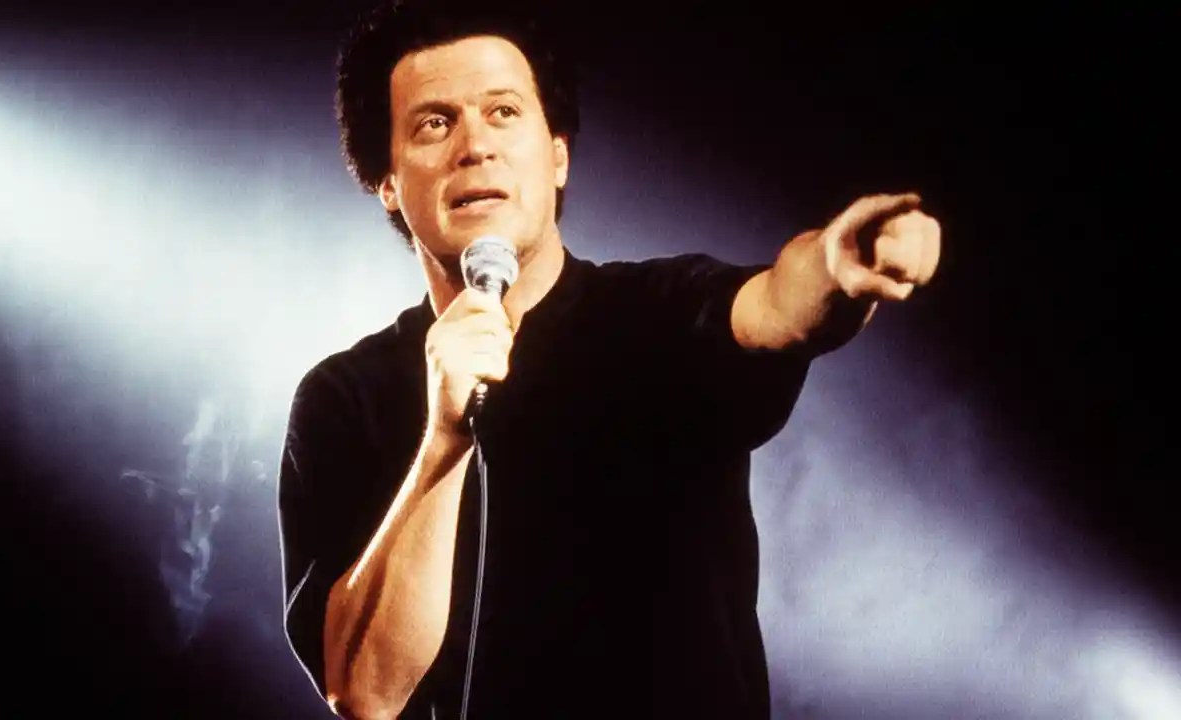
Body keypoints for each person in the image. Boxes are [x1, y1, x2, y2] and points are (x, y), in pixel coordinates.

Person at [276, 1, 942, 718]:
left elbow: (778, 306)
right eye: (435, 123)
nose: (475, 146)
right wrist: (443, 441)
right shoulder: (345, 399)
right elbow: (365, 692)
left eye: (503, 112)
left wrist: (841, 268)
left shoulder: (657, 314)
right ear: (385, 180)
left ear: (556, 153)